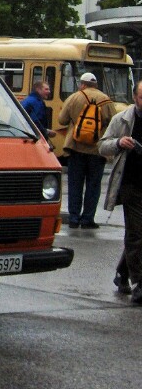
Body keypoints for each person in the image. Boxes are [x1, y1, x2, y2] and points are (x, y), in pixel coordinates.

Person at [99, 79, 142, 304]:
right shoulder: (123, 119)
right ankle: (139, 283)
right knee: (135, 234)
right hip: (130, 185)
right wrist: (119, 143)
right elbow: (102, 145)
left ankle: (122, 272)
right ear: (135, 98)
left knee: (139, 234)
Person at [58, 72, 113, 229]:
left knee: (75, 184)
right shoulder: (106, 100)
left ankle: (74, 218)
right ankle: (88, 219)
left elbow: (62, 119)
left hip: (75, 148)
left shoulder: (75, 97)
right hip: (97, 150)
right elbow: (114, 122)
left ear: (82, 84)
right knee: (93, 185)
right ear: (95, 85)